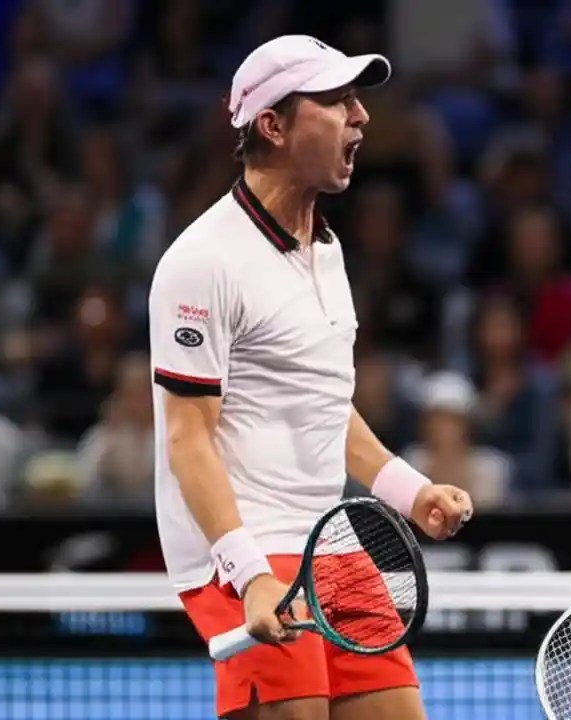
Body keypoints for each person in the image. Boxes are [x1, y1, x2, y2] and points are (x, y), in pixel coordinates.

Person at [148, 36, 474, 720]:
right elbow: (187, 440)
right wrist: (251, 576)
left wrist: (410, 491)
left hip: (330, 537)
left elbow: (324, 407)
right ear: (273, 124)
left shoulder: (326, 249)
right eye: (338, 101)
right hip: (243, 549)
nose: (362, 117)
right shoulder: (202, 262)